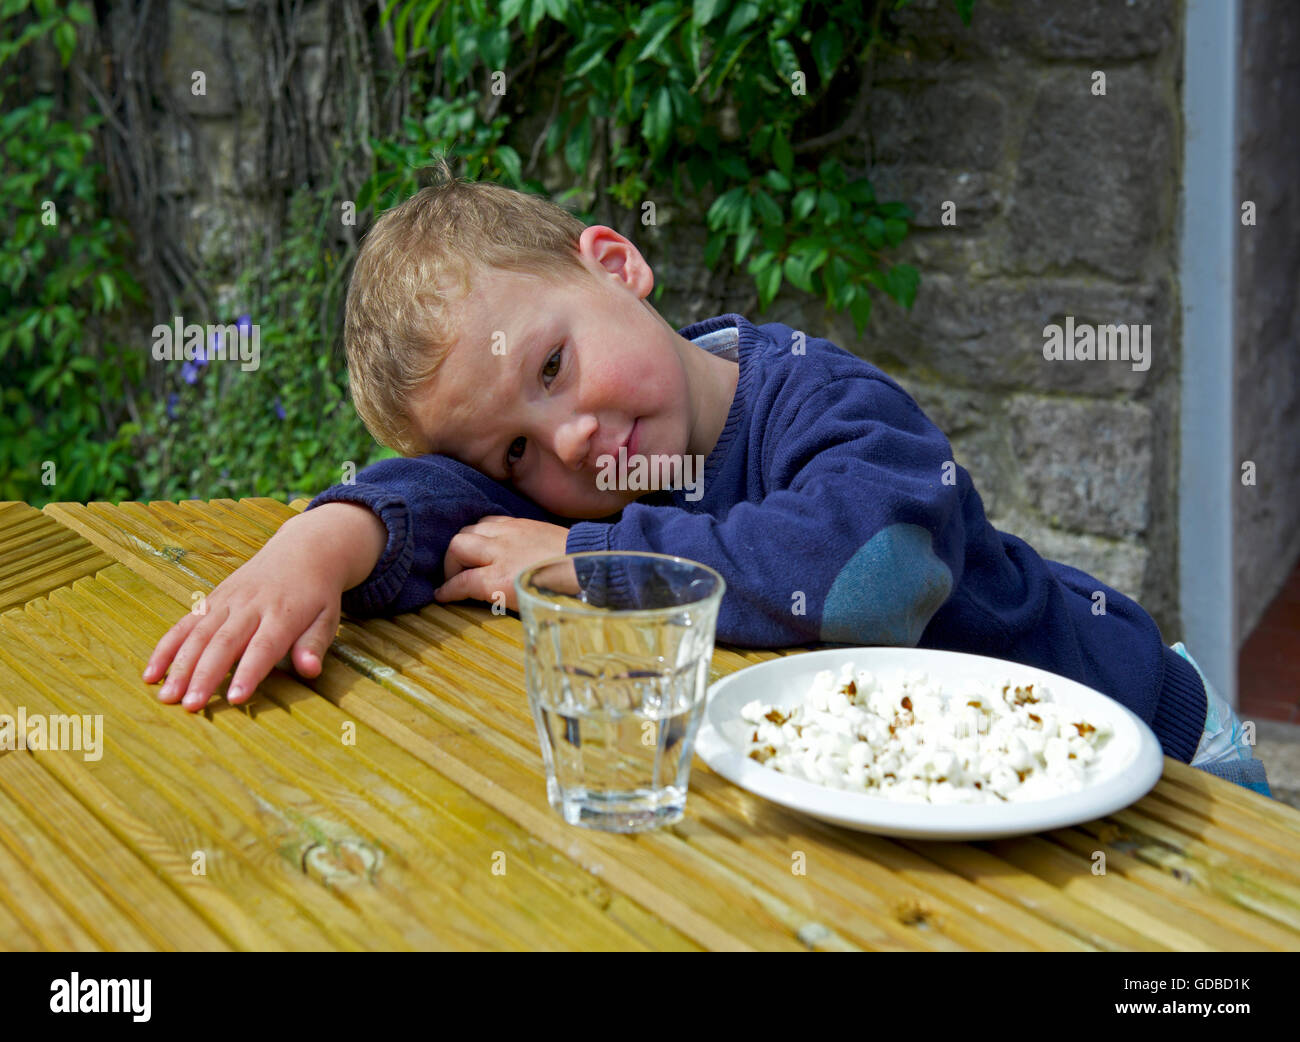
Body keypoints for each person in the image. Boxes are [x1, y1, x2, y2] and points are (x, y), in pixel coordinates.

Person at [141, 171, 1271, 798]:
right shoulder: (582, 485)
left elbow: (867, 574)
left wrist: (596, 564)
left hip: (1151, 741)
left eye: (552, 366)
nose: (571, 440)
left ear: (617, 268)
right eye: (513, 455)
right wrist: (317, 547)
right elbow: (436, 508)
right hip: (964, 795)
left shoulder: (818, 402)